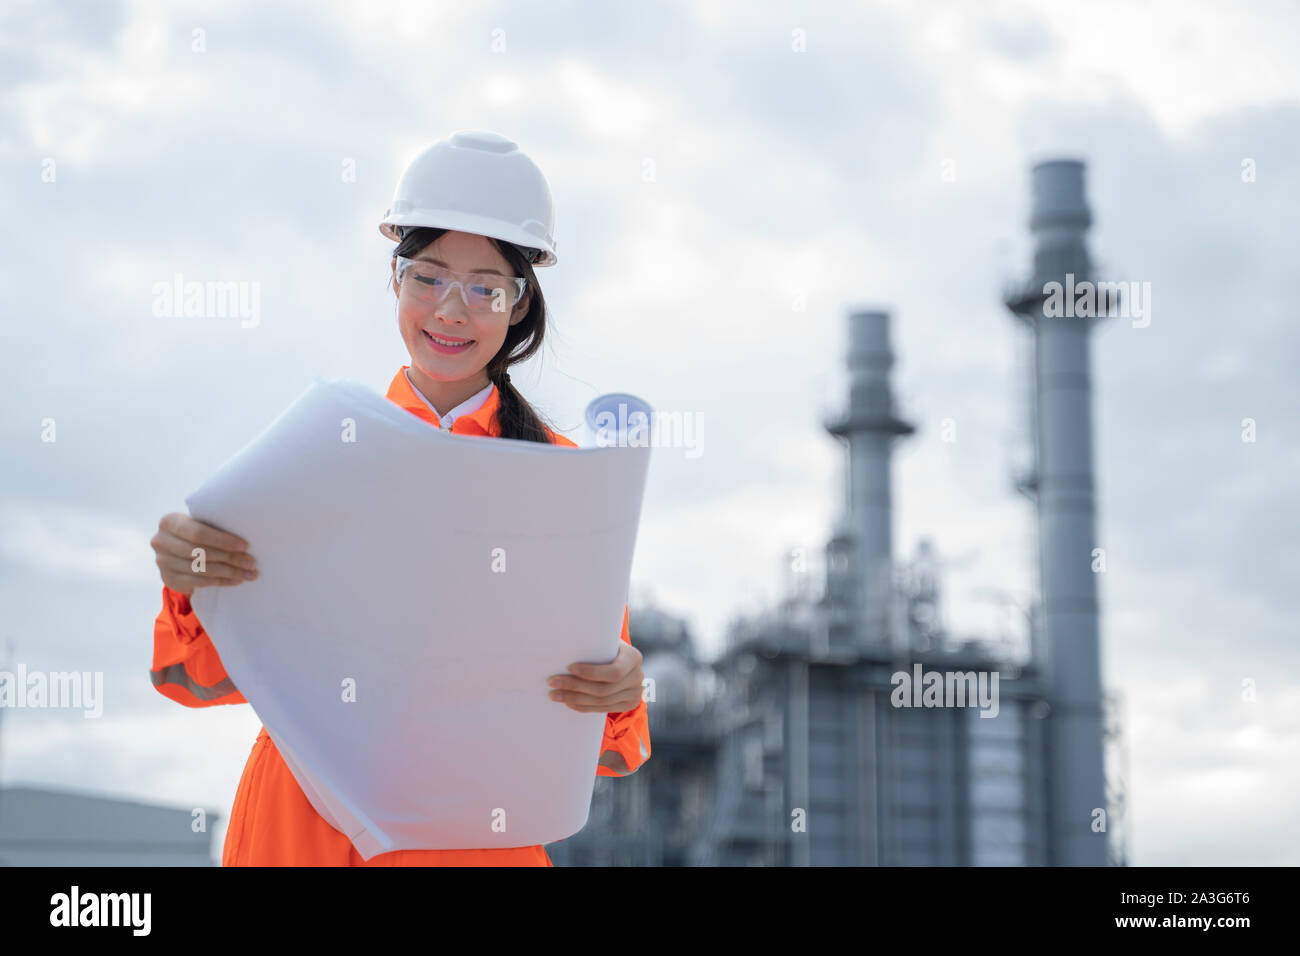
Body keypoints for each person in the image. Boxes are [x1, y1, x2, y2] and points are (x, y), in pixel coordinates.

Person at [148, 131, 651, 866]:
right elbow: (193, 679)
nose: (452, 310)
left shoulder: (564, 481)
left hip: (473, 840)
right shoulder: (309, 454)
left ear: (518, 306)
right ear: (395, 279)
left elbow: (612, 751)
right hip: (300, 831)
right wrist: (188, 583)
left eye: (486, 287)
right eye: (428, 277)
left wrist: (620, 690)